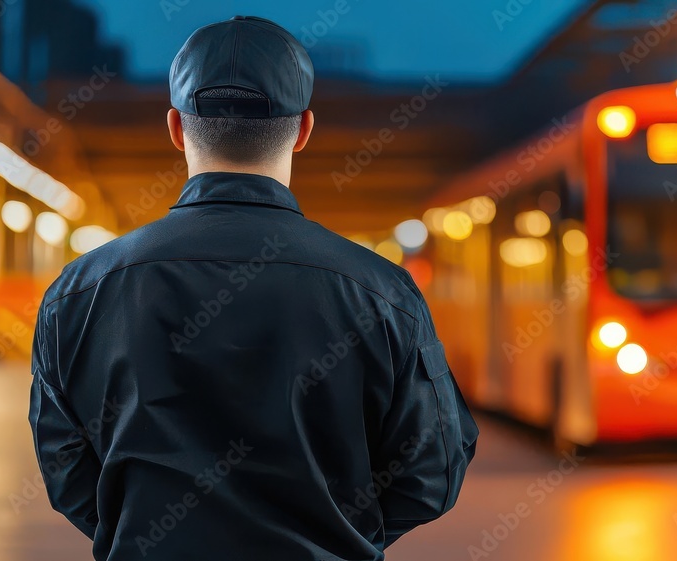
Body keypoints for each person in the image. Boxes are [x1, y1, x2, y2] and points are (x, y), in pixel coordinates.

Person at [29, 15, 477, 561]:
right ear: (305, 129)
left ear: (174, 127)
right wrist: (343, 534)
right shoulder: (383, 292)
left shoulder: (79, 292)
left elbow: (64, 467)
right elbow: (432, 474)